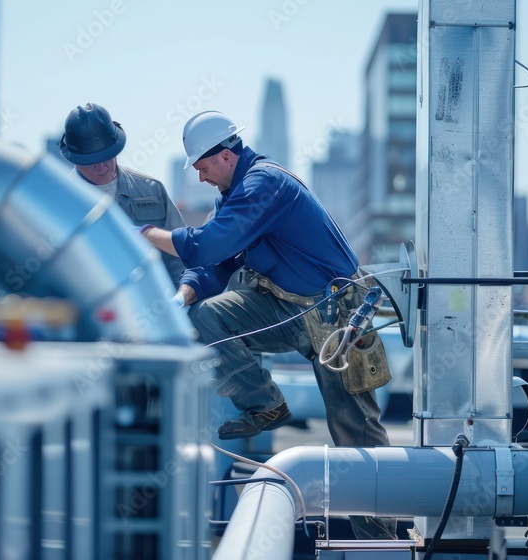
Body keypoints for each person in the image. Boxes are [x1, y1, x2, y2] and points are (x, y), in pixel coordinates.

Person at [139, 110, 396, 538]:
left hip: (337, 320)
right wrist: (178, 299)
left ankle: (380, 541)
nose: (200, 178)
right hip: (288, 311)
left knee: (355, 434)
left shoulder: (265, 185)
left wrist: (145, 231)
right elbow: (214, 266)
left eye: (202, 168)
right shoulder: (235, 197)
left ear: (223, 156)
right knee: (207, 316)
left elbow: (206, 245)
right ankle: (265, 404)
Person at [59, 103, 188, 288]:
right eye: (91, 162)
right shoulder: (59, 202)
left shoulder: (151, 190)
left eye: (107, 157)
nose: (102, 167)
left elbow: (179, 259)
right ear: (74, 159)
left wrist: (179, 301)